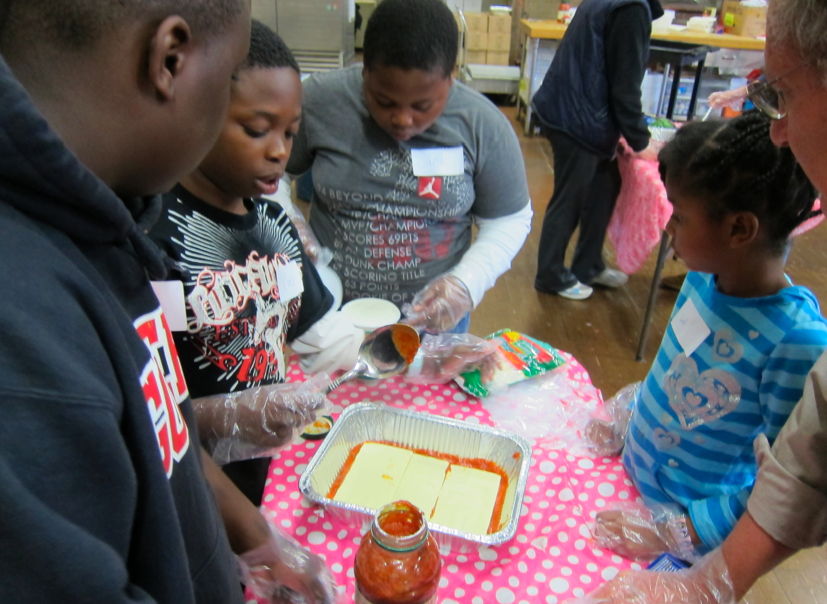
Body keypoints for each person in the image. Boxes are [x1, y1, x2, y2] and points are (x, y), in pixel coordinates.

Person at [0, 2, 331, 603]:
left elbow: (162, 428)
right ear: (171, 59)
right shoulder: (26, 339)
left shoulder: (106, 220)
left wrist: (252, 533)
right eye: (228, 71)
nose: (279, 150)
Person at [567, 0, 827, 600]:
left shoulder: (797, 344)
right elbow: (673, 366)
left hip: (685, 532)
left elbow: (777, 483)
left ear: (739, 231)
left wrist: (676, 533)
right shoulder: (703, 281)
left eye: (679, 218)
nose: (668, 232)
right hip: (632, 485)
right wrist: (631, 410)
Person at [149, 20, 363, 507]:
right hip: (191, 485)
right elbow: (144, 408)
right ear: (200, 111)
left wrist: (399, 353)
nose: (280, 151)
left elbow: (312, 332)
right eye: (257, 129)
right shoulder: (157, 234)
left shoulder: (275, 225)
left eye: (290, 133)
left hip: (269, 470)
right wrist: (225, 416)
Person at [286, 0, 533, 333]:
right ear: (364, 71)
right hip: (329, 317)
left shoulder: (483, 125)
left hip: (432, 324)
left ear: (452, 77)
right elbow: (265, 175)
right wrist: (286, 220)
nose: (402, 120)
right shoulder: (320, 102)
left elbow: (509, 219)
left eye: (423, 105)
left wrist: (466, 284)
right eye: (383, 101)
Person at [531, 0, 663, 300]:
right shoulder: (631, 8)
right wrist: (641, 141)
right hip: (578, 117)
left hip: (577, 110)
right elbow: (625, 84)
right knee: (571, 197)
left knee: (606, 182)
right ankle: (549, 275)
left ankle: (588, 264)